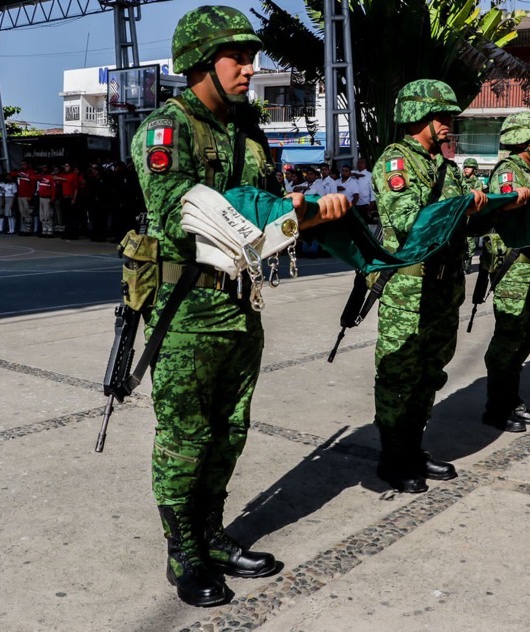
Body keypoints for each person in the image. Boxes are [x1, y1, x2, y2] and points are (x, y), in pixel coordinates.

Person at [130, 6, 349, 607]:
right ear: (202, 61)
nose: (252, 69)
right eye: (239, 58)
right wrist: (280, 214)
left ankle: (212, 534)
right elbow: (179, 218)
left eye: (252, 58)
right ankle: (184, 552)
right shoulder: (163, 130)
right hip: (187, 309)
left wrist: (302, 209)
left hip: (239, 305)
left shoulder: (248, 129)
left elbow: (273, 202)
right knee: (185, 436)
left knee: (230, 429)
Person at [372, 79, 492, 494]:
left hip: (443, 289)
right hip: (409, 291)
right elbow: (409, 219)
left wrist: (488, 206)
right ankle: (392, 458)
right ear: (416, 116)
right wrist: (463, 205)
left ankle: (413, 449)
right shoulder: (396, 162)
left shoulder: (446, 166)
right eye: (441, 116)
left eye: (450, 116)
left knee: (428, 374)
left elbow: (465, 221)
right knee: (399, 377)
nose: (448, 123)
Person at [481, 112, 530, 433]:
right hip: (515, 265)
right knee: (509, 337)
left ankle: (510, 398)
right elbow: (508, 212)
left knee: (529, 334)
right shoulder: (508, 172)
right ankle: (496, 407)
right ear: (522, 140)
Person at [15, 161, 38, 234]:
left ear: (27, 165)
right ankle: (23, 228)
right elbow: (12, 173)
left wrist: (31, 196)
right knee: (22, 213)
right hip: (20, 196)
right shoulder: (20, 172)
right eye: (22, 164)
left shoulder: (30, 173)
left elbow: (33, 186)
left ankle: (29, 229)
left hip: (27, 196)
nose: (23, 166)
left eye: (24, 164)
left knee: (27, 212)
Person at [36, 166, 56, 237]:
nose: (43, 169)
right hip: (41, 198)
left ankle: (50, 229)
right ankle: (44, 229)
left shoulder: (51, 177)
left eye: (45, 168)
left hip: (47, 198)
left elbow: (54, 189)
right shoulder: (41, 177)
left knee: (48, 214)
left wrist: (52, 198)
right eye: (43, 168)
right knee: (42, 215)